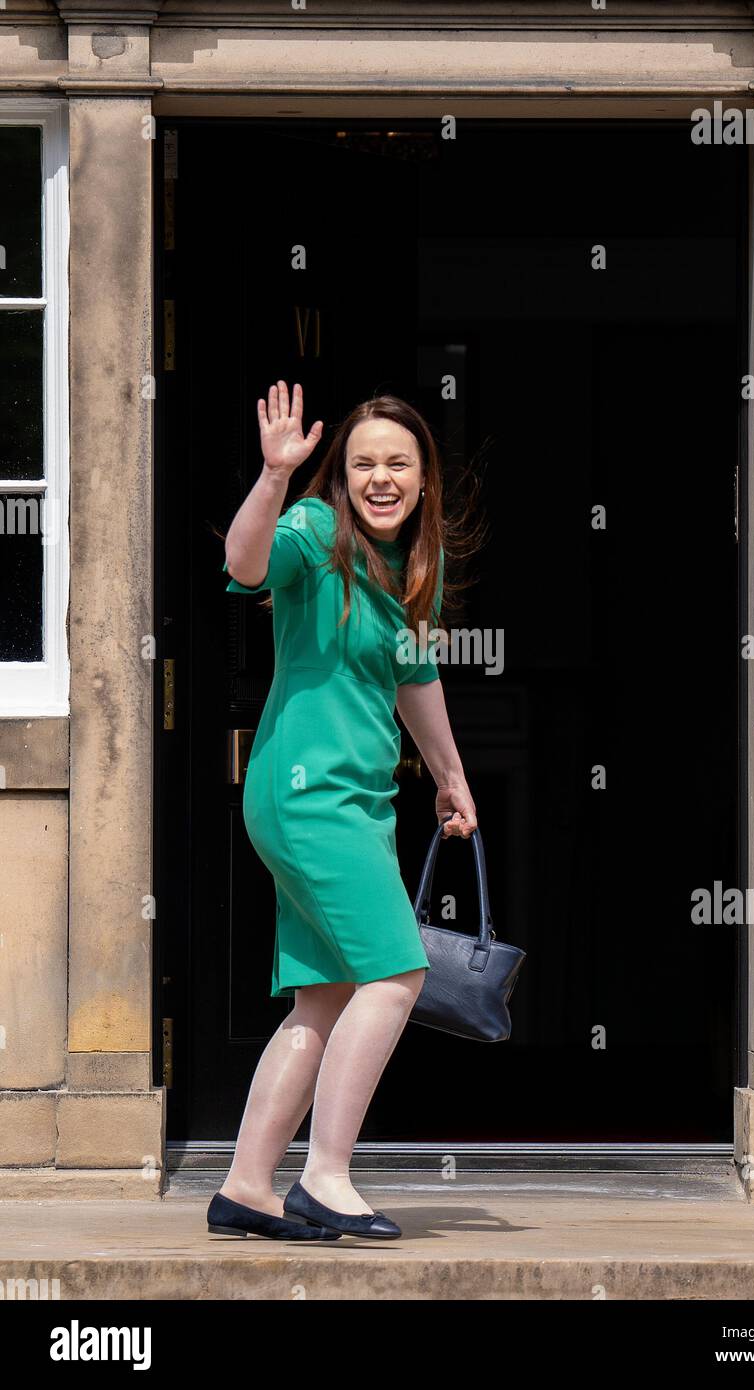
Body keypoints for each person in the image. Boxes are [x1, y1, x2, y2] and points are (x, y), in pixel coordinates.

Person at [207, 381, 478, 1242]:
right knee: (396, 974)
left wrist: (449, 775)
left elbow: (413, 677)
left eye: (398, 462)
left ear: (424, 476)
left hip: (356, 803)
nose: (381, 478)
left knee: (322, 1000)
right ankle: (324, 1177)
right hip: (304, 795)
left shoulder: (411, 568)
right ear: (344, 476)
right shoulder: (318, 534)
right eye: (364, 464)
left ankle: (247, 1187)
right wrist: (273, 476)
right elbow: (244, 565)